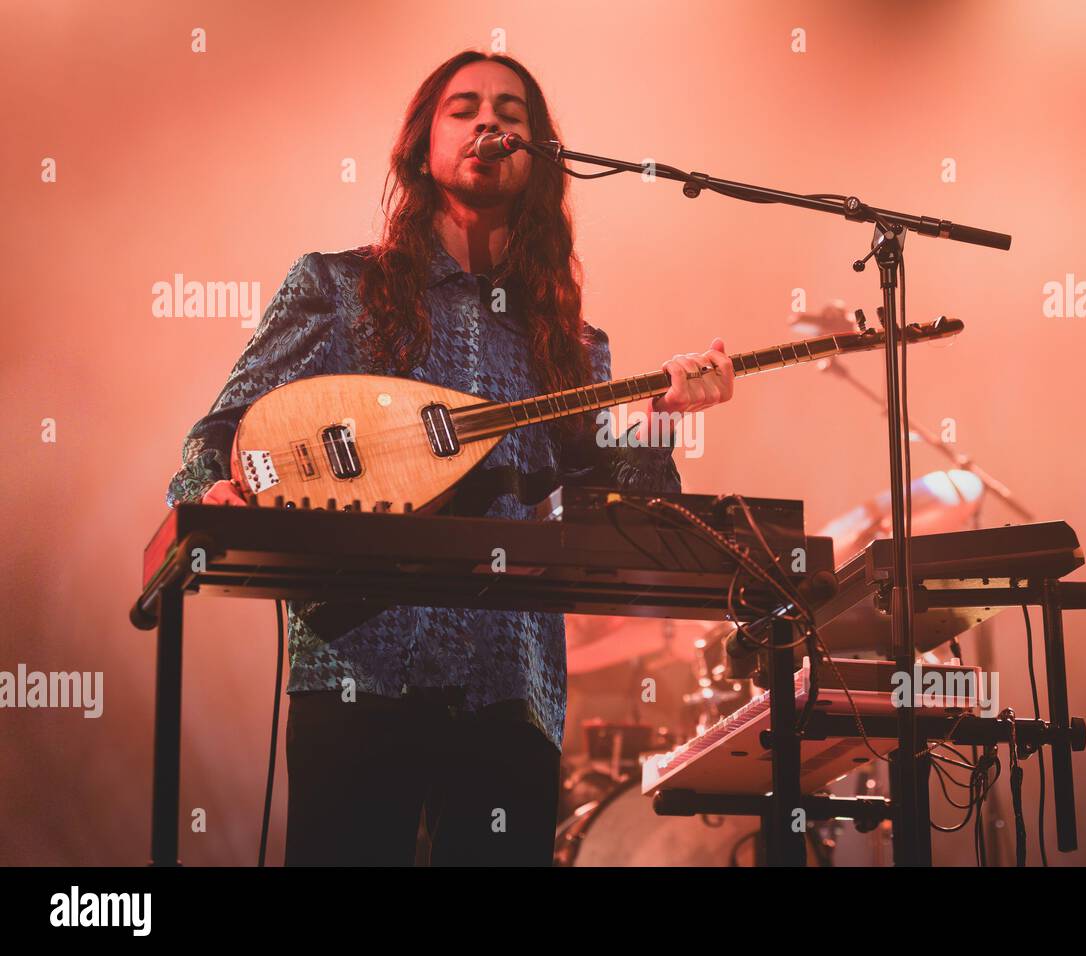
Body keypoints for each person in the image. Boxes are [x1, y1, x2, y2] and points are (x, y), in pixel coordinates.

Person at [165, 49, 734, 866]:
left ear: (538, 153)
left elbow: (620, 515)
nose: (489, 122)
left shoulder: (572, 343)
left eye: (510, 112)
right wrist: (208, 493)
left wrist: (658, 420)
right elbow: (222, 429)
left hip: (511, 686)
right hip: (359, 666)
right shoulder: (337, 288)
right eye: (463, 109)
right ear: (422, 147)